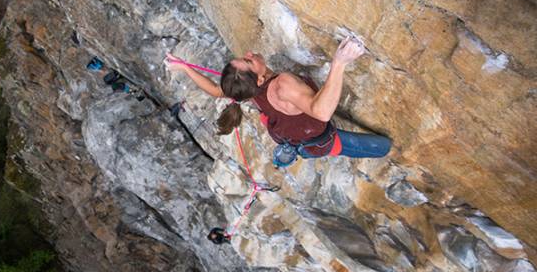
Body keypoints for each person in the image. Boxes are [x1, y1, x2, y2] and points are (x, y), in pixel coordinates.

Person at [165, 36, 391, 168]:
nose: (251, 53)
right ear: (260, 78)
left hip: (292, 138)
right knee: (383, 147)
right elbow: (321, 112)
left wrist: (185, 67)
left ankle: (287, 155)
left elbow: (216, 91)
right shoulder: (282, 85)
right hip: (320, 142)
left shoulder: (248, 89)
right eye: (248, 60)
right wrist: (340, 63)